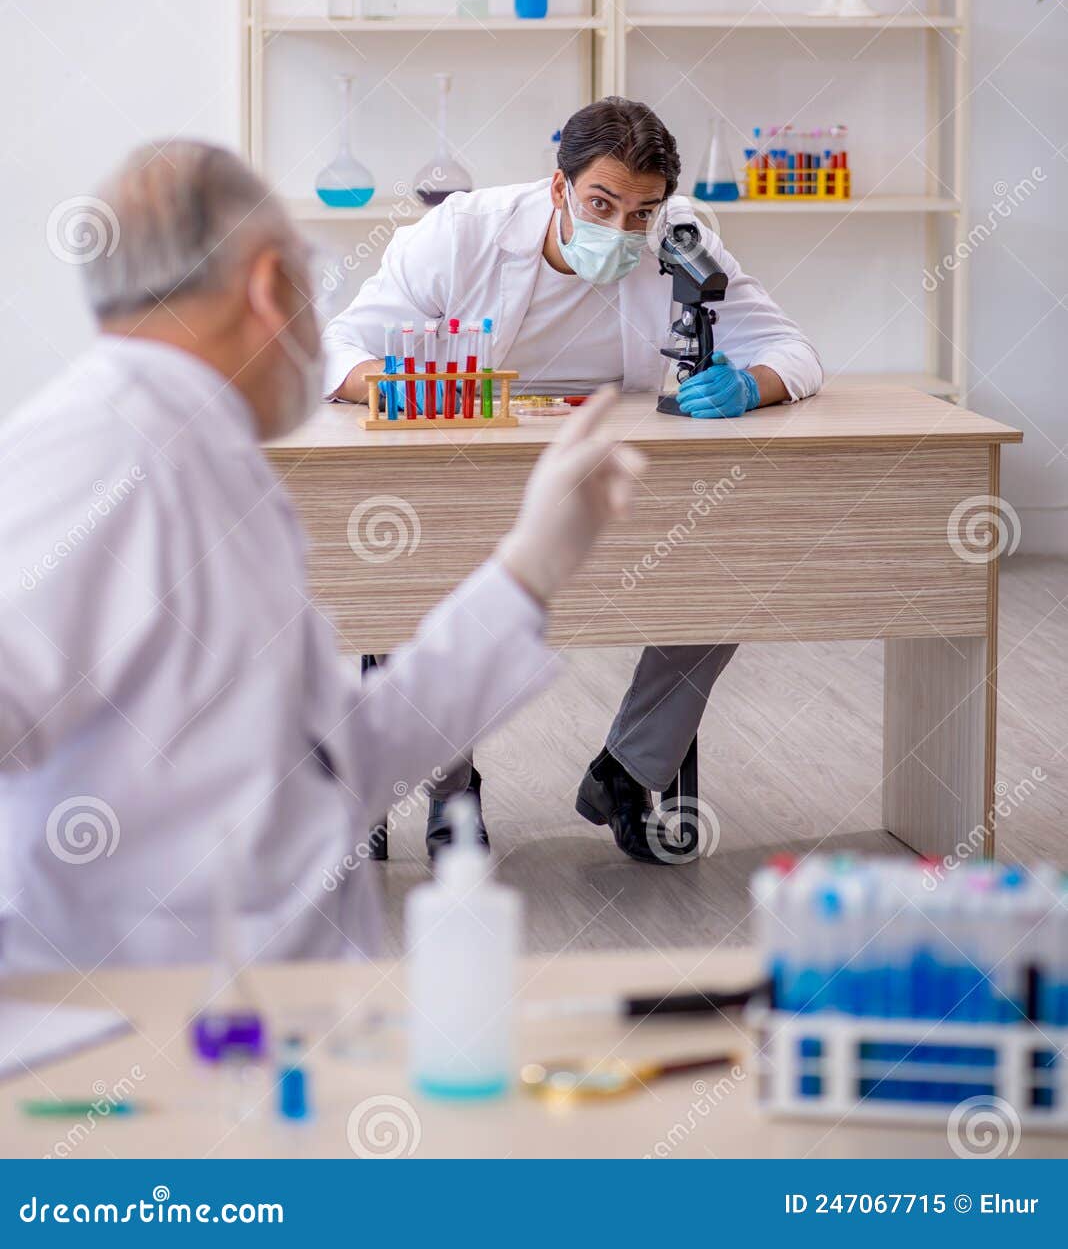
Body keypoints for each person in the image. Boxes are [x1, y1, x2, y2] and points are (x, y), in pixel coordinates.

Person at [0, 142, 642, 971]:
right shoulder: (102, 451)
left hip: (255, 1007)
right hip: (135, 1018)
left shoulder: (209, 456)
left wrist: (526, 571)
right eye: (316, 281)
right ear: (272, 287)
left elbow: (340, 759)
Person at [323, 96, 823, 864]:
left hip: (615, 471)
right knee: (407, 571)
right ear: (559, 189)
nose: (623, 230)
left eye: (641, 212)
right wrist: (408, 388)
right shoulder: (463, 232)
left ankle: (630, 768)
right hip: (470, 461)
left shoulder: (682, 236)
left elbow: (791, 348)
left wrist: (750, 385)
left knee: (724, 573)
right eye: (601, 204)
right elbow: (342, 345)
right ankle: (448, 785)